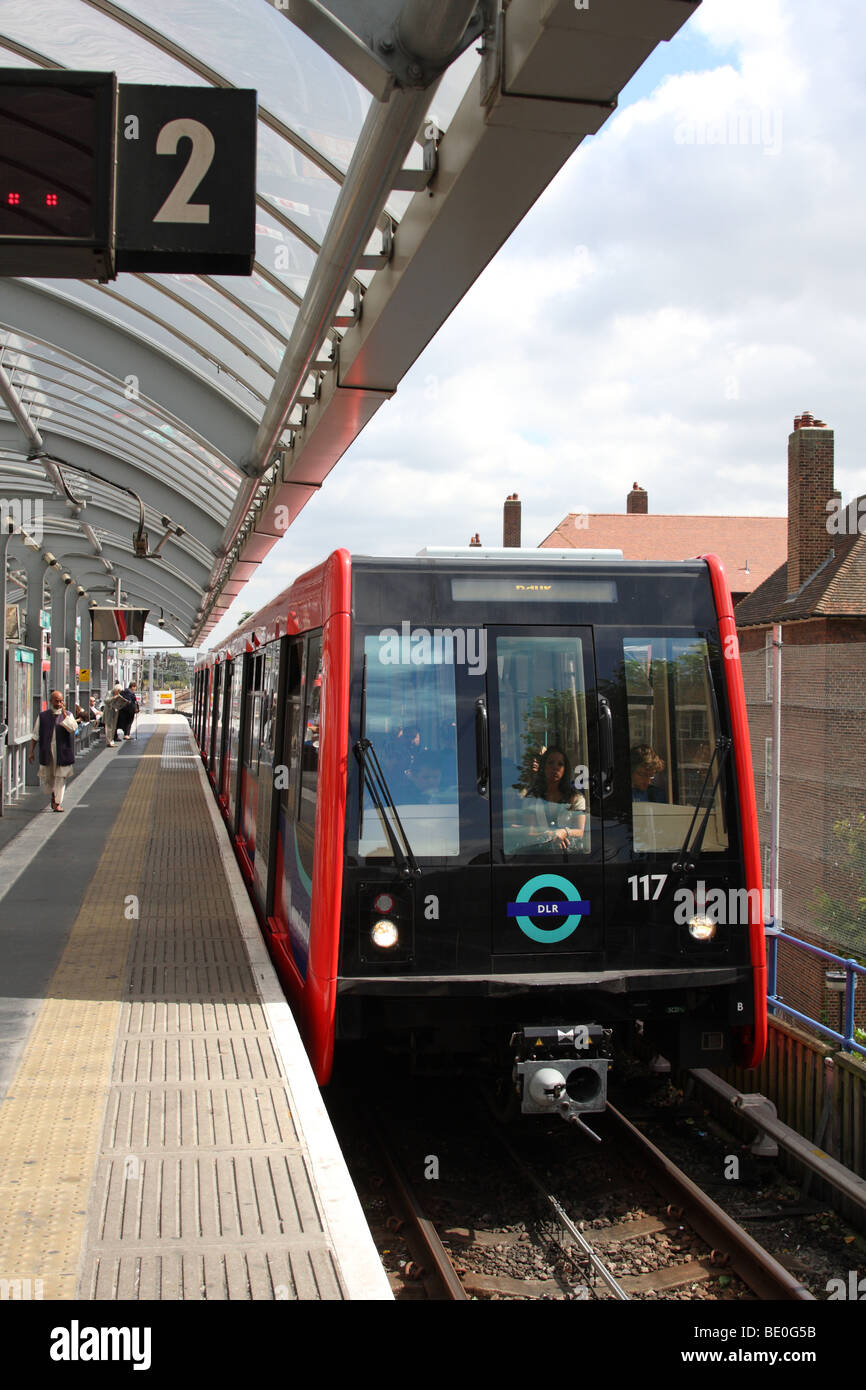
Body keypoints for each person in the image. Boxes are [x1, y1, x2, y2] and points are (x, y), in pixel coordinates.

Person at [525, 746, 586, 848]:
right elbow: (529, 834)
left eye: (560, 764)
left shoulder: (576, 798)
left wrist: (565, 832)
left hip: (571, 857)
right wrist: (550, 835)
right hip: (537, 856)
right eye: (551, 763)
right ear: (543, 767)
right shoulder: (532, 798)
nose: (555, 767)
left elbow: (580, 831)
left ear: (565, 769)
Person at [29, 690, 78, 811]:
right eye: (57, 701)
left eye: (61, 701)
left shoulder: (68, 714)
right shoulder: (43, 716)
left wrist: (65, 716)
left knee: (61, 777)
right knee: (49, 777)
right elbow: (35, 735)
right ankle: (53, 795)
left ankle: (57, 803)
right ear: (51, 701)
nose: (60, 703)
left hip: (62, 751)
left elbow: (72, 729)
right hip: (48, 751)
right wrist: (31, 752)